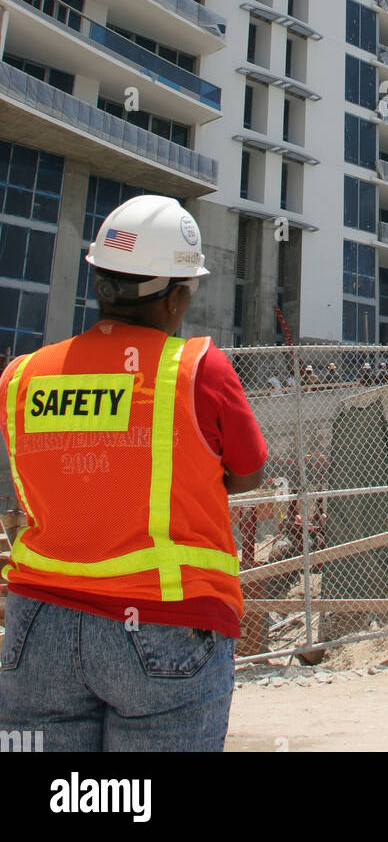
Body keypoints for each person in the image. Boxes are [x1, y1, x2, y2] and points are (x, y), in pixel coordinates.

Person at [0, 195, 267, 752]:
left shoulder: (21, 377)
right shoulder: (196, 368)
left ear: (99, 280)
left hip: (38, 625)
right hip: (164, 621)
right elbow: (248, 473)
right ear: (174, 297)